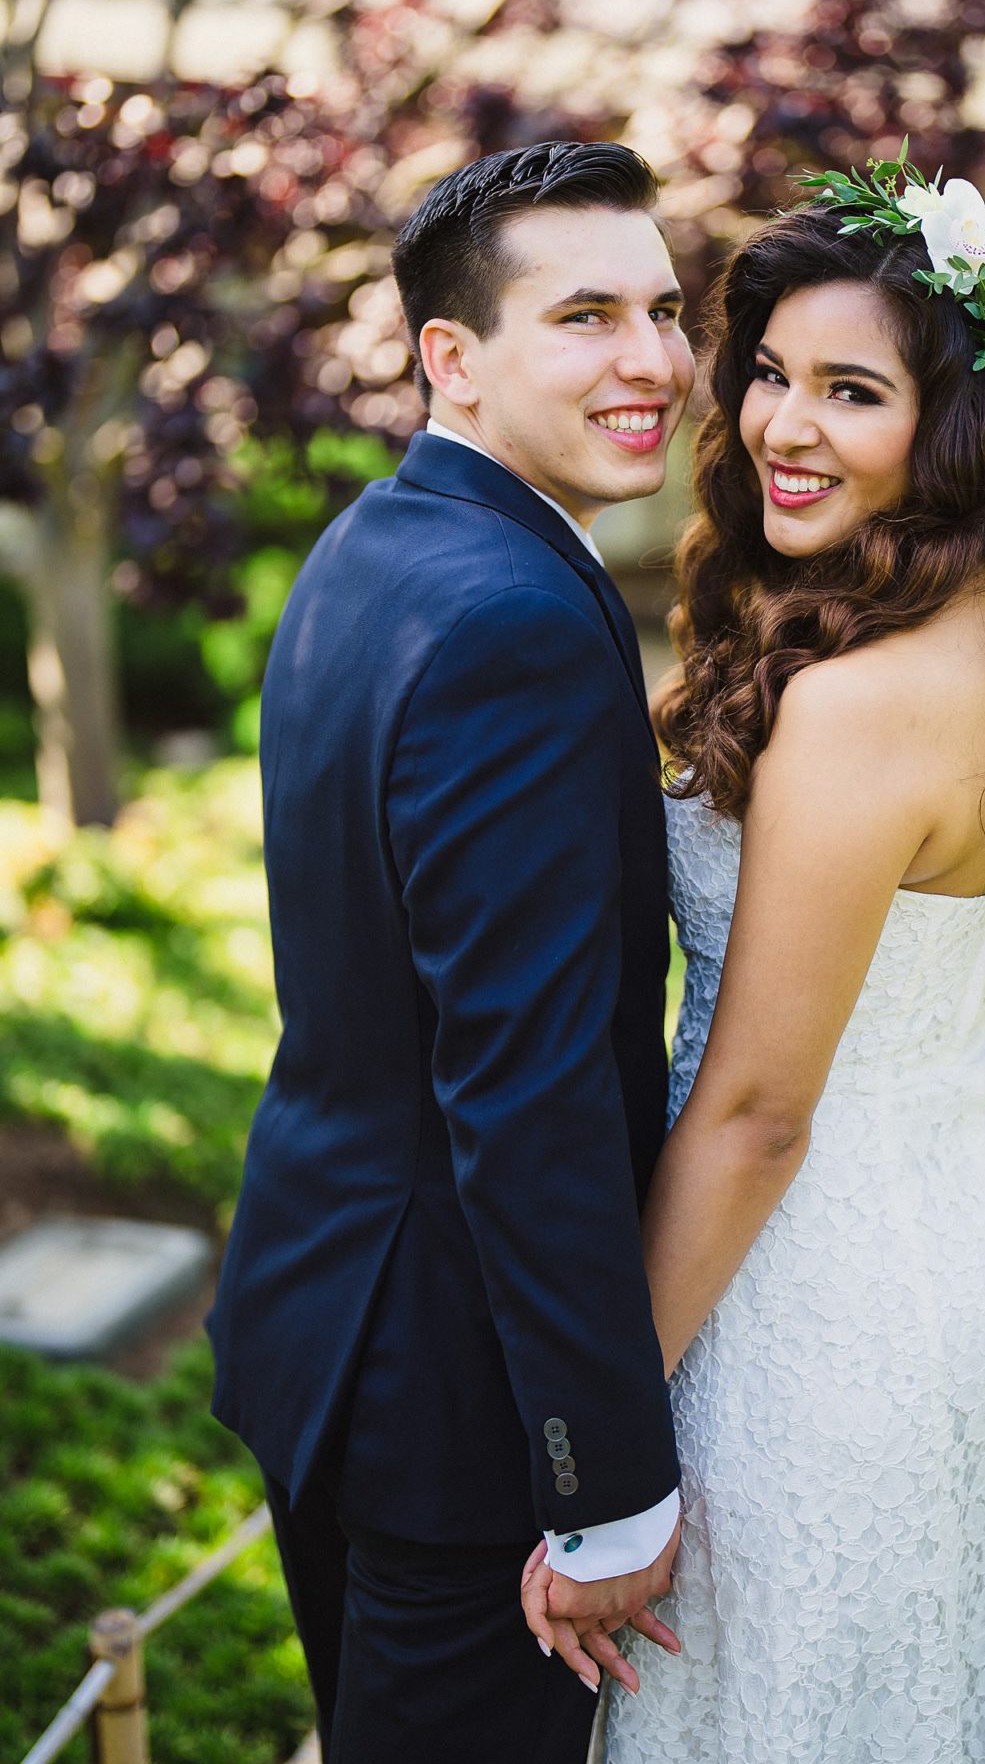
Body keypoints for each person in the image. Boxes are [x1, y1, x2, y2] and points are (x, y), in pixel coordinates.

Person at [564, 165, 985, 1762]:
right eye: (770, 372)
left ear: (967, 432)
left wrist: (595, 1457)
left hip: (814, 1288)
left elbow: (758, 1114)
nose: (781, 424)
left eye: (852, 390)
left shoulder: (859, 711)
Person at [207, 141, 696, 1764]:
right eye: (587, 316)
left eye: (665, 309)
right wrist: (606, 1482)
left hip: (324, 1327)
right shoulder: (518, 625)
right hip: (454, 1407)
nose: (653, 359)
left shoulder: (373, 550)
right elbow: (529, 1087)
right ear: (454, 358)